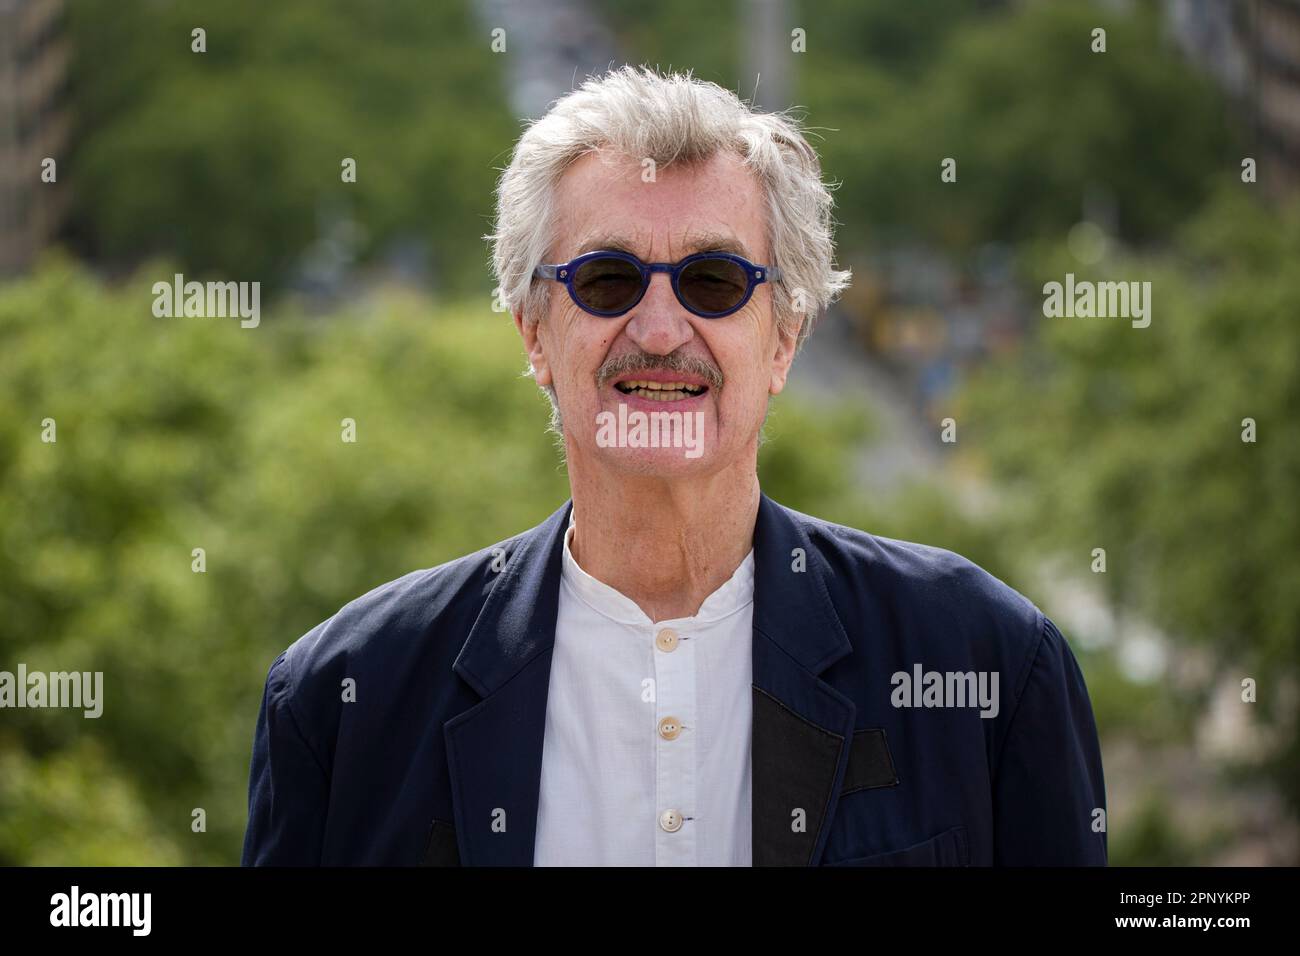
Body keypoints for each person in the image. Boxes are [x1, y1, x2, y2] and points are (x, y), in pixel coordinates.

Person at [241, 65, 1106, 866]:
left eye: (716, 280)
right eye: (609, 280)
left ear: (785, 338)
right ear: (536, 333)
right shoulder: (343, 700)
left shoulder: (990, 666)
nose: (659, 331)